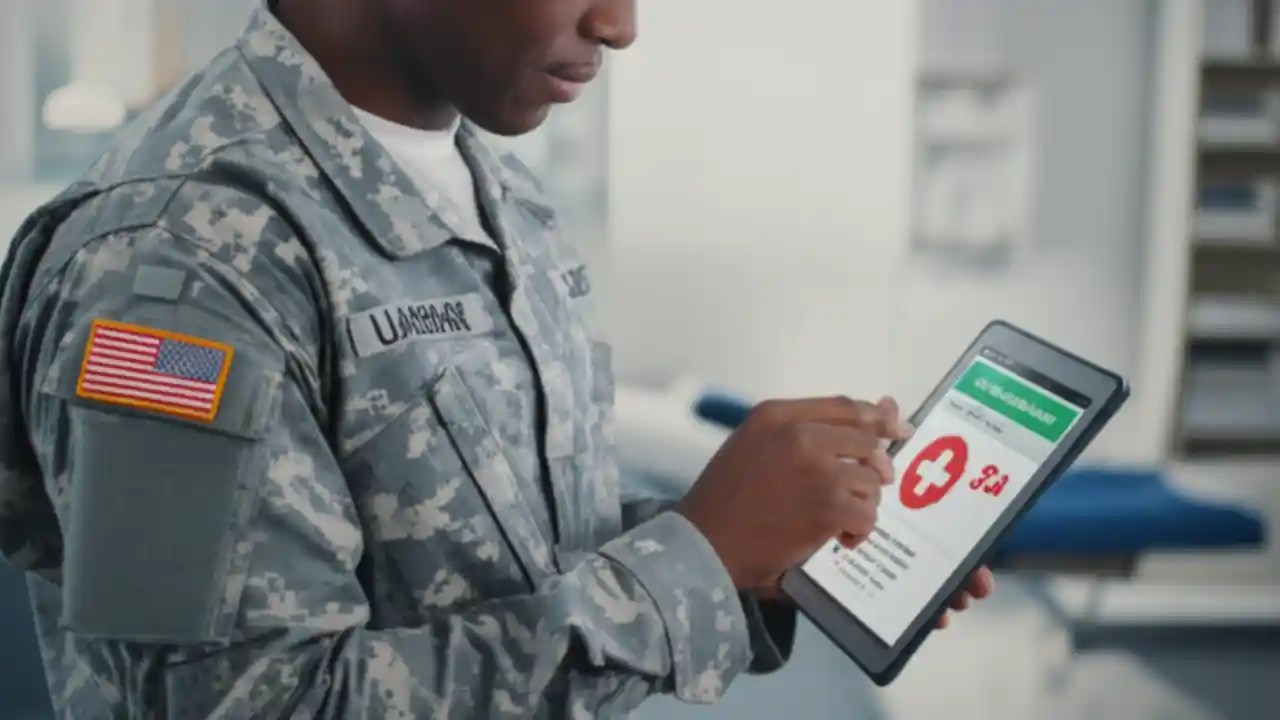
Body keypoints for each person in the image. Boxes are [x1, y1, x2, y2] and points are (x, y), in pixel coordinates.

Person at [0, 1, 994, 717]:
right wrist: (694, 557)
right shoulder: (178, 260)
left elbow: (499, 559)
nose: (619, 24)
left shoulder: (501, 196)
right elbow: (247, 703)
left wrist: (754, 550)